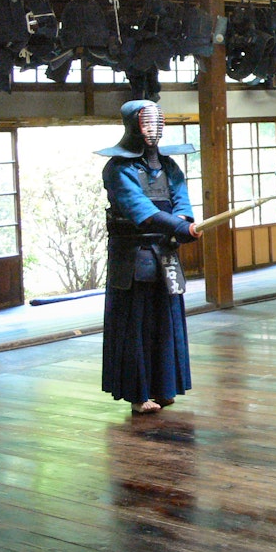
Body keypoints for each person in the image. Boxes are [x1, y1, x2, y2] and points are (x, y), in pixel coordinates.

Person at [98, 100, 201, 415]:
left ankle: (164, 388)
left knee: (166, 322)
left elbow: (180, 198)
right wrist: (177, 226)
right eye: (146, 123)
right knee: (136, 326)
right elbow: (139, 209)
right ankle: (138, 393)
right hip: (133, 257)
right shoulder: (118, 168)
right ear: (133, 126)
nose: (153, 130)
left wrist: (184, 222)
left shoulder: (169, 165)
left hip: (165, 252)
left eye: (158, 123)